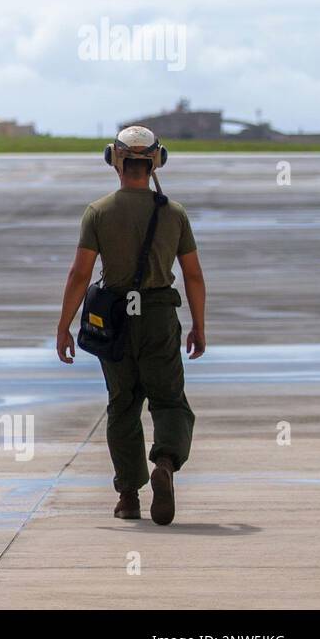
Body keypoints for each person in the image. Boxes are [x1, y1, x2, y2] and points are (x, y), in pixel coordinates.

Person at [55, 126, 206, 525]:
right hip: (159, 317)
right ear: (156, 161)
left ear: (115, 161)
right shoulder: (173, 213)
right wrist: (199, 326)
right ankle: (167, 463)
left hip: (115, 321)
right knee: (169, 400)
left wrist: (63, 326)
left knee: (123, 405)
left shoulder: (98, 212)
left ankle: (128, 497)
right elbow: (193, 275)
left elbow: (79, 274)